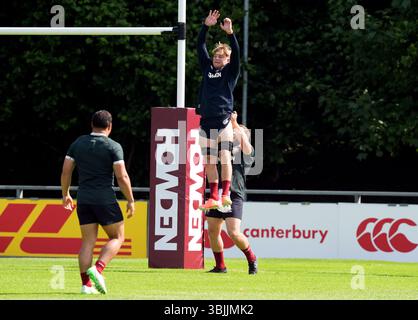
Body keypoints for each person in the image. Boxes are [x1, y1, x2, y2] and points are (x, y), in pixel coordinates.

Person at [60, 110, 135, 294]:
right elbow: (122, 176)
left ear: (91, 125)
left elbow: (66, 171)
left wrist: (65, 194)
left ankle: (86, 285)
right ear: (109, 126)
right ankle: (98, 268)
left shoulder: (78, 144)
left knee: (87, 242)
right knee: (118, 237)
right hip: (105, 199)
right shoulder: (113, 146)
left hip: (84, 199)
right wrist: (130, 200)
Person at [197, 10, 240, 212]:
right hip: (206, 121)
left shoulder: (230, 72)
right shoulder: (207, 68)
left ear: (227, 59)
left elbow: (238, 54)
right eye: (215, 55)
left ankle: (226, 193)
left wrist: (230, 33)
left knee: (224, 157)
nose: (216, 57)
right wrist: (206, 26)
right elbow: (200, 45)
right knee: (209, 162)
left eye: (221, 56)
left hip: (224, 121)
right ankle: (213, 196)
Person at [206, 111, 258, 275]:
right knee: (213, 230)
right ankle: (220, 266)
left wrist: (235, 124)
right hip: (218, 195)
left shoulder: (246, 153)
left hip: (234, 194)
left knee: (234, 232)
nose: (233, 133)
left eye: (237, 132)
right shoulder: (222, 148)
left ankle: (252, 259)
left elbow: (246, 146)